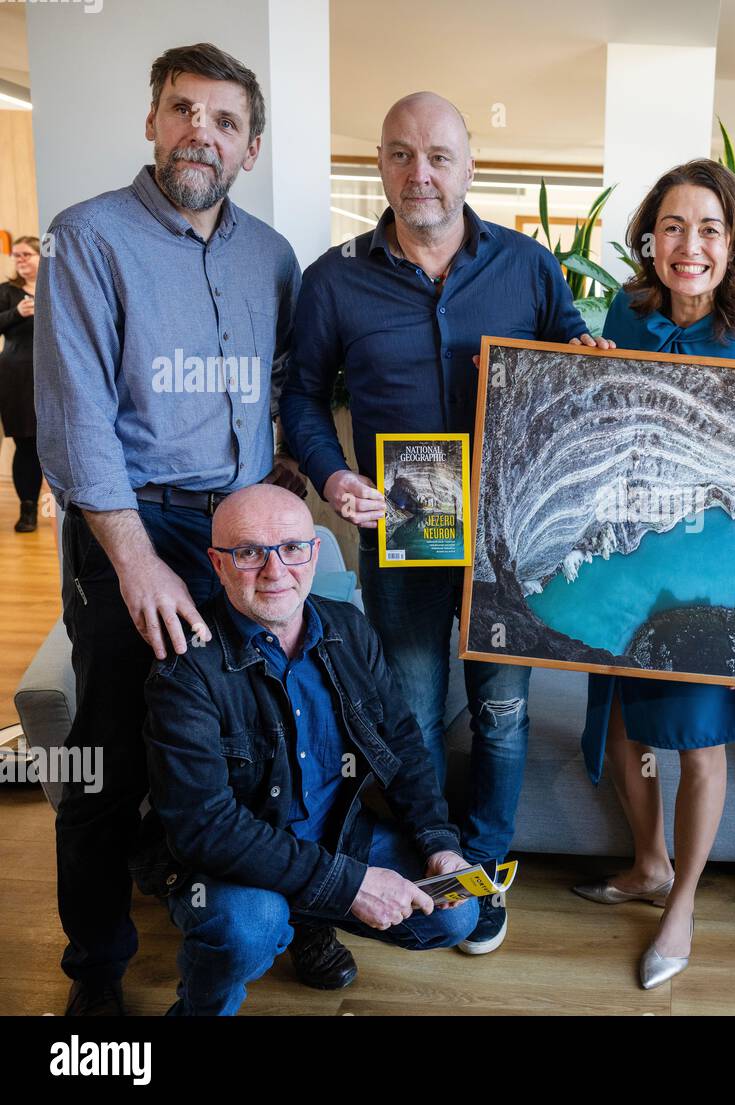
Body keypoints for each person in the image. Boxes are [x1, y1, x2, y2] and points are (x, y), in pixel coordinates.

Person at [281, 91, 609, 958]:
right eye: (398, 154)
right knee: (415, 714)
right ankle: (437, 856)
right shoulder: (333, 277)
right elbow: (303, 396)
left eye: (436, 155)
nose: (418, 172)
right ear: (379, 166)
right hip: (404, 531)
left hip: (509, 536)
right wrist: (332, 471)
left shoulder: (530, 268)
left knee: (502, 711)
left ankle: (488, 868)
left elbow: (570, 351)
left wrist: (585, 367)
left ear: (469, 168)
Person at [33, 43, 303, 1017]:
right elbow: (73, 418)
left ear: (251, 146)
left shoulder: (272, 257)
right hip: (129, 525)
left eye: (225, 120)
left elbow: (288, 397)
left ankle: (258, 915)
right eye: (184, 109)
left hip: (234, 535)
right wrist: (136, 559)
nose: (203, 131)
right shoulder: (85, 238)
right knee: (101, 761)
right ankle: (95, 975)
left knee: (237, 742)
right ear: (152, 121)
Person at [569, 159, 735, 989]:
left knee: (699, 742)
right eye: (671, 226)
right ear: (648, 239)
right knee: (622, 717)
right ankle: (649, 861)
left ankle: (684, 900)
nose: (687, 244)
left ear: (731, 245)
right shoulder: (622, 318)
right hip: (625, 571)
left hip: (711, 579)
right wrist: (579, 374)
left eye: (707, 228)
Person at [134, 484, 476, 1015]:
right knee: (249, 926)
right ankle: (202, 1005)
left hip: (336, 836)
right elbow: (204, 826)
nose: (275, 572)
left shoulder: (348, 628)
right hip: (231, 865)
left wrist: (437, 842)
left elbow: (404, 744)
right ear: (217, 564)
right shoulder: (186, 667)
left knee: (454, 914)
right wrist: (348, 885)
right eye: (249, 553)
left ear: (314, 553)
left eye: (293, 548)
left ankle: (308, 922)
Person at [1, 236, 42, 532]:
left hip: (53, 375)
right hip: (16, 376)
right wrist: (17, 313)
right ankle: (28, 510)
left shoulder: (56, 285)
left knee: (52, 444)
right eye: (16, 256)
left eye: (27, 254)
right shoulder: (7, 292)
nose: (20, 260)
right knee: (26, 444)